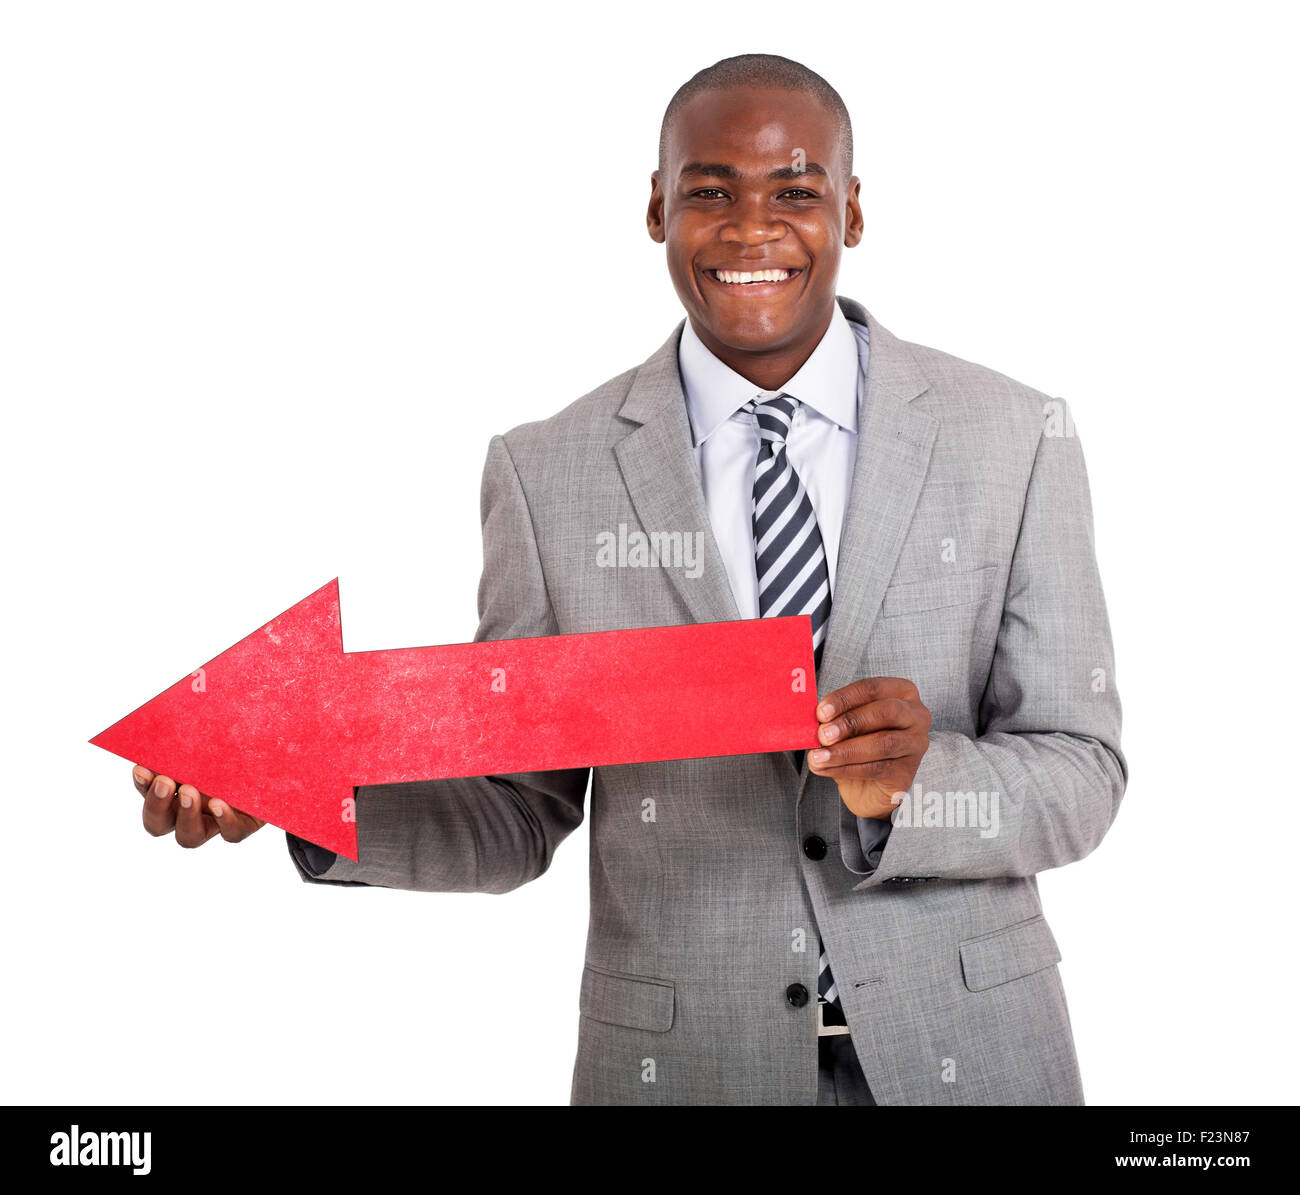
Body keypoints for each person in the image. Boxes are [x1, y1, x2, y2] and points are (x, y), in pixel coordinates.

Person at [131, 53, 1127, 1106]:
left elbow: (1082, 772)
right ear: (657, 208)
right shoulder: (546, 470)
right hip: (681, 1068)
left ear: (852, 210)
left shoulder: (1012, 435)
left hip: (975, 1054)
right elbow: (518, 808)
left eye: (795, 191)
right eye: (710, 192)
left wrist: (913, 790)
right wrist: (308, 795)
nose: (752, 229)